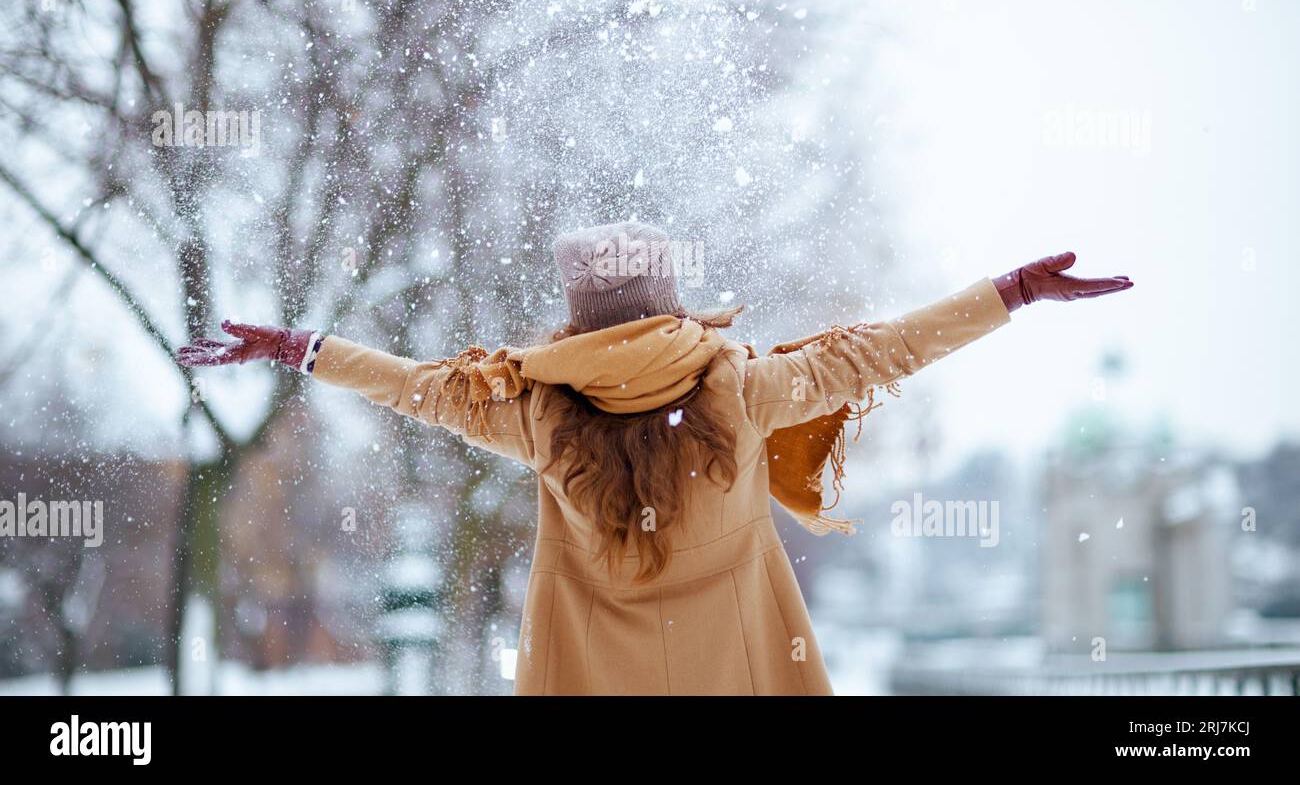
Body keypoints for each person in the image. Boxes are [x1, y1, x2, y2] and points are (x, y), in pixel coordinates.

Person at [178, 221, 1132, 695]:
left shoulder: (540, 418)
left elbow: (415, 388)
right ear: (673, 301)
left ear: (577, 315)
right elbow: (886, 350)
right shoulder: (744, 388)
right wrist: (1007, 292)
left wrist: (303, 349)